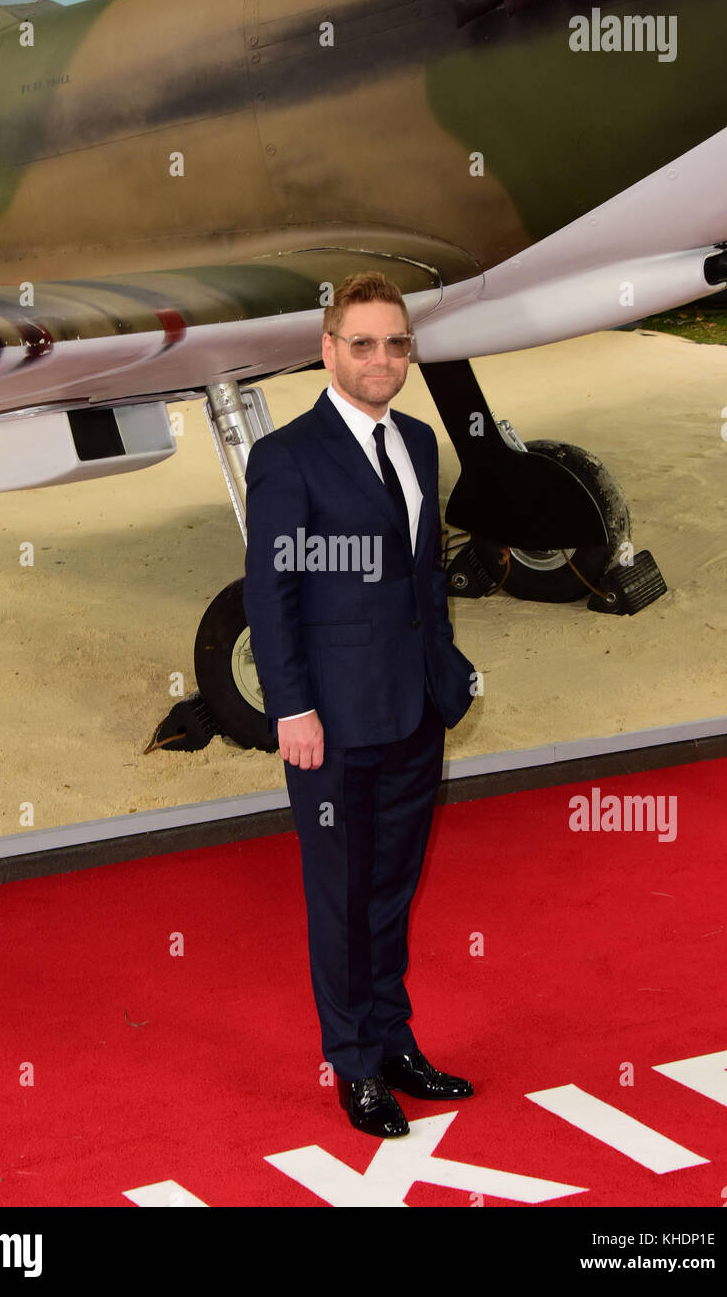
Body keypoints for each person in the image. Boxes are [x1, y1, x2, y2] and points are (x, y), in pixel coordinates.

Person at [243, 271, 477, 1139]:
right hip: (332, 724)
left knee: (391, 889)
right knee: (340, 896)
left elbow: (425, 576)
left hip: (416, 710)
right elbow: (271, 596)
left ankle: (393, 1041)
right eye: (364, 343)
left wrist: (444, 667)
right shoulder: (288, 456)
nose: (383, 359)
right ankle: (351, 1064)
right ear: (329, 349)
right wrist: (291, 710)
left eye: (397, 343)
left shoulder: (417, 442)